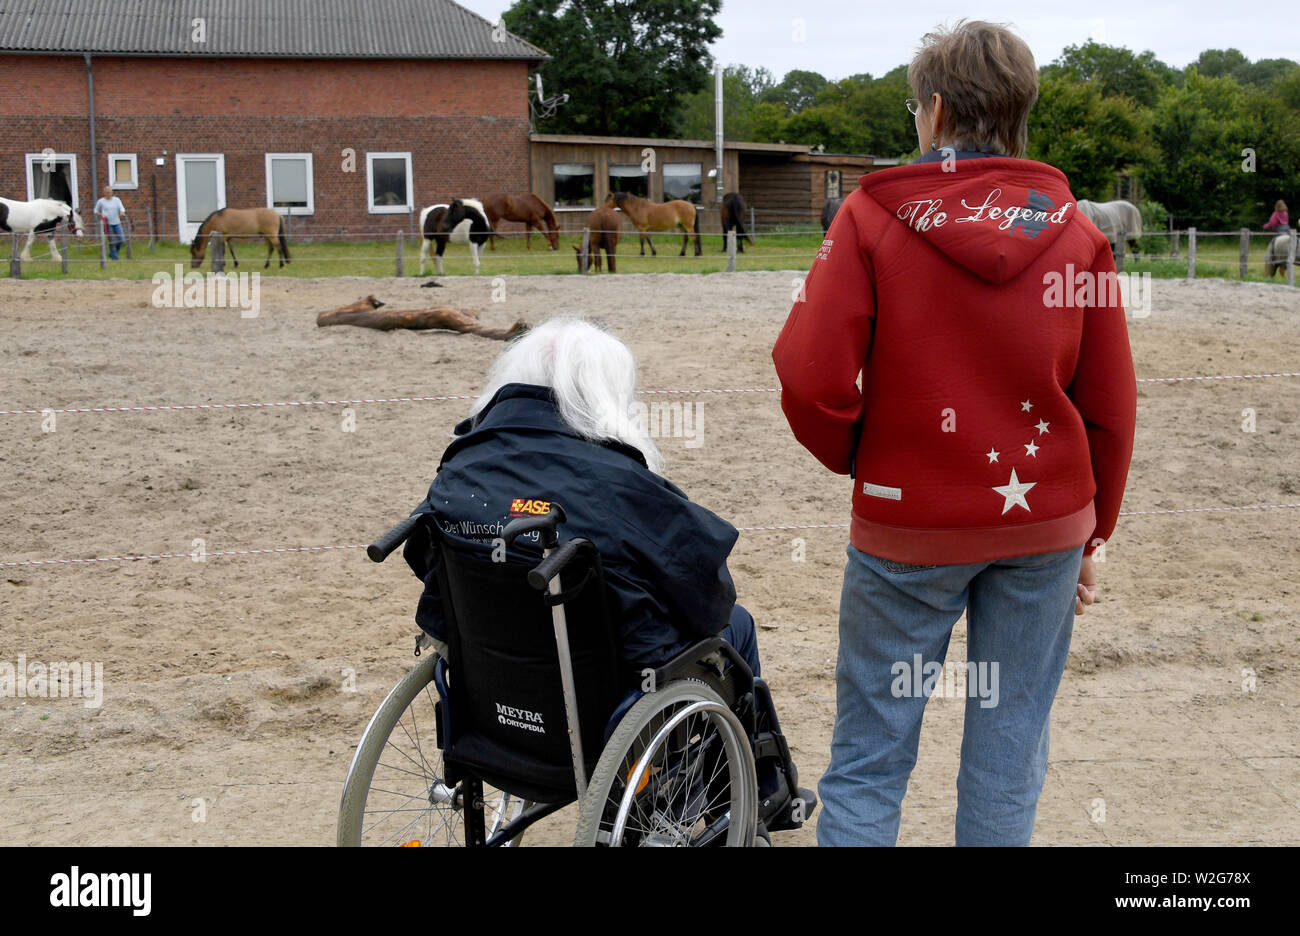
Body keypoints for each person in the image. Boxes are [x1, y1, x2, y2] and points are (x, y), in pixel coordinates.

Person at [772, 20, 1136, 846]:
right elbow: (1111, 406)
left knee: (870, 756)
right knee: (1009, 756)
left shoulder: (868, 219)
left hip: (907, 522)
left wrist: (861, 458)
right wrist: (1092, 533)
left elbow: (807, 373)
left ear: (933, 112)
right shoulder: (1082, 237)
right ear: (1021, 110)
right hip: (1043, 524)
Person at [403, 319, 812, 831]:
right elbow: (706, 599)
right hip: (598, 719)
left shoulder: (461, 467)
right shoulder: (617, 484)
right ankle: (751, 788)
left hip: (492, 714)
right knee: (738, 626)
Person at [93, 187, 127, 260]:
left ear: (112, 193)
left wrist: (122, 212)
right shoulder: (101, 201)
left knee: (121, 239)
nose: (109, 194)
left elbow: (122, 208)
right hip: (107, 224)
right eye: (107, 193)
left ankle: (113, 253)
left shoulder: (116, 200)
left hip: (117, 222)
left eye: (110, 192)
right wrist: (100, 214)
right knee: (111, 241)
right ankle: (115, 258)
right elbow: (96, 210)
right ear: (104, 193)